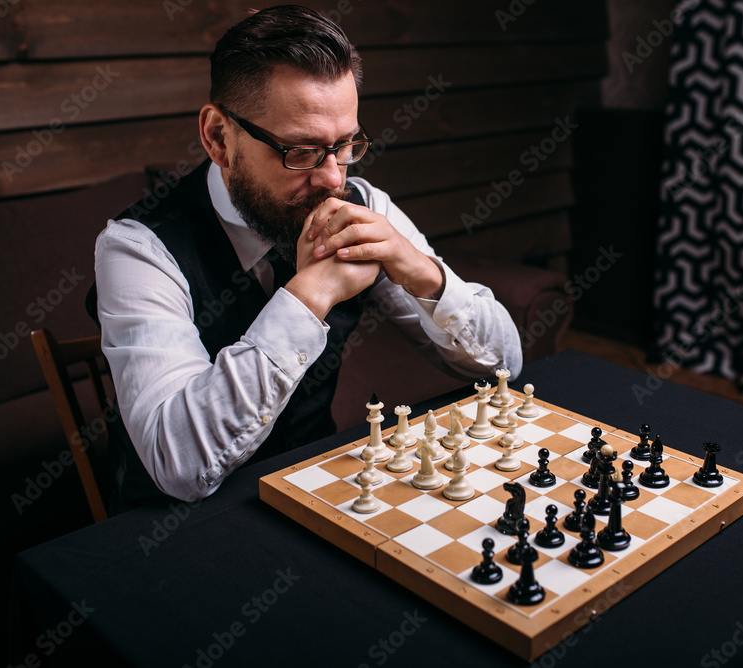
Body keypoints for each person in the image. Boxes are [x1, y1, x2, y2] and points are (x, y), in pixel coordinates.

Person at [91, 5, 522, 508]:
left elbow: (504, 367)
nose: (333, 179)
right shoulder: (137, 249)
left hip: (317, 491)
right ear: (218, 137)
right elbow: (181, 467)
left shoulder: (362, 203)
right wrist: (309, 294)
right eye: (300, 151)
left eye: (345, 145)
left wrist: (424, 274)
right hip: (174, 533)